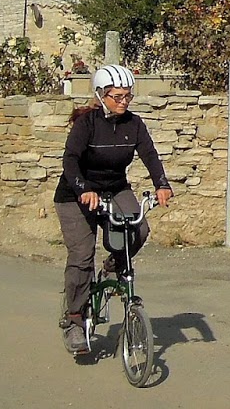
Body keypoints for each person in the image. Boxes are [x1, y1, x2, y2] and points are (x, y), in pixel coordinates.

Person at [54, 64, 173, 355]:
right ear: (101, 95)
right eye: (117, 96)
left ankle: (113, 267)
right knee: (82, 256)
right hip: (76, 194)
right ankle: (74, 320)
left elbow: (149, 154)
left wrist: (162, 184)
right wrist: (84, 189)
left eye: (128, 96)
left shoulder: (134, 124)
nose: (124, 101)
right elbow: (70, 160)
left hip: (115, 188)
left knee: (138, 229)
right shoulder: (87, 124)